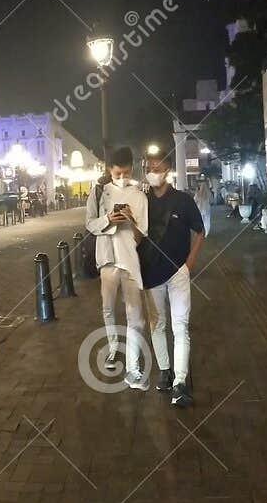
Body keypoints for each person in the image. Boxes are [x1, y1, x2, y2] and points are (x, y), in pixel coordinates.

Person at [139, 150, 205, 408]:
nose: (152, 173)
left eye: (156, 168)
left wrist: (190, 262)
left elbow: (200, 231)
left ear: (167, 171)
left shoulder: (183, 200)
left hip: (178, 272)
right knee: (157, 325)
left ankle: (180, 381)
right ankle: (165, 371)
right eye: (148, 169)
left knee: (180, 326)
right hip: (150, 272)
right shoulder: (142, 202)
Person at [87, 147, 149, 389]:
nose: (122, 177)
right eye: (117, 173)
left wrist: (131, 221)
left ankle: (133, 368)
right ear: (110, 170)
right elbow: (90, 224)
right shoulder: (99, 192)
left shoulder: (139, 196)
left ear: (131, 169)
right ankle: (113, 348)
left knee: (136, 318)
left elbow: (141, 236)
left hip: (131, 263)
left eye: (126, 173)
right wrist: (108, 219)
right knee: (108, 309)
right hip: (107, 261)